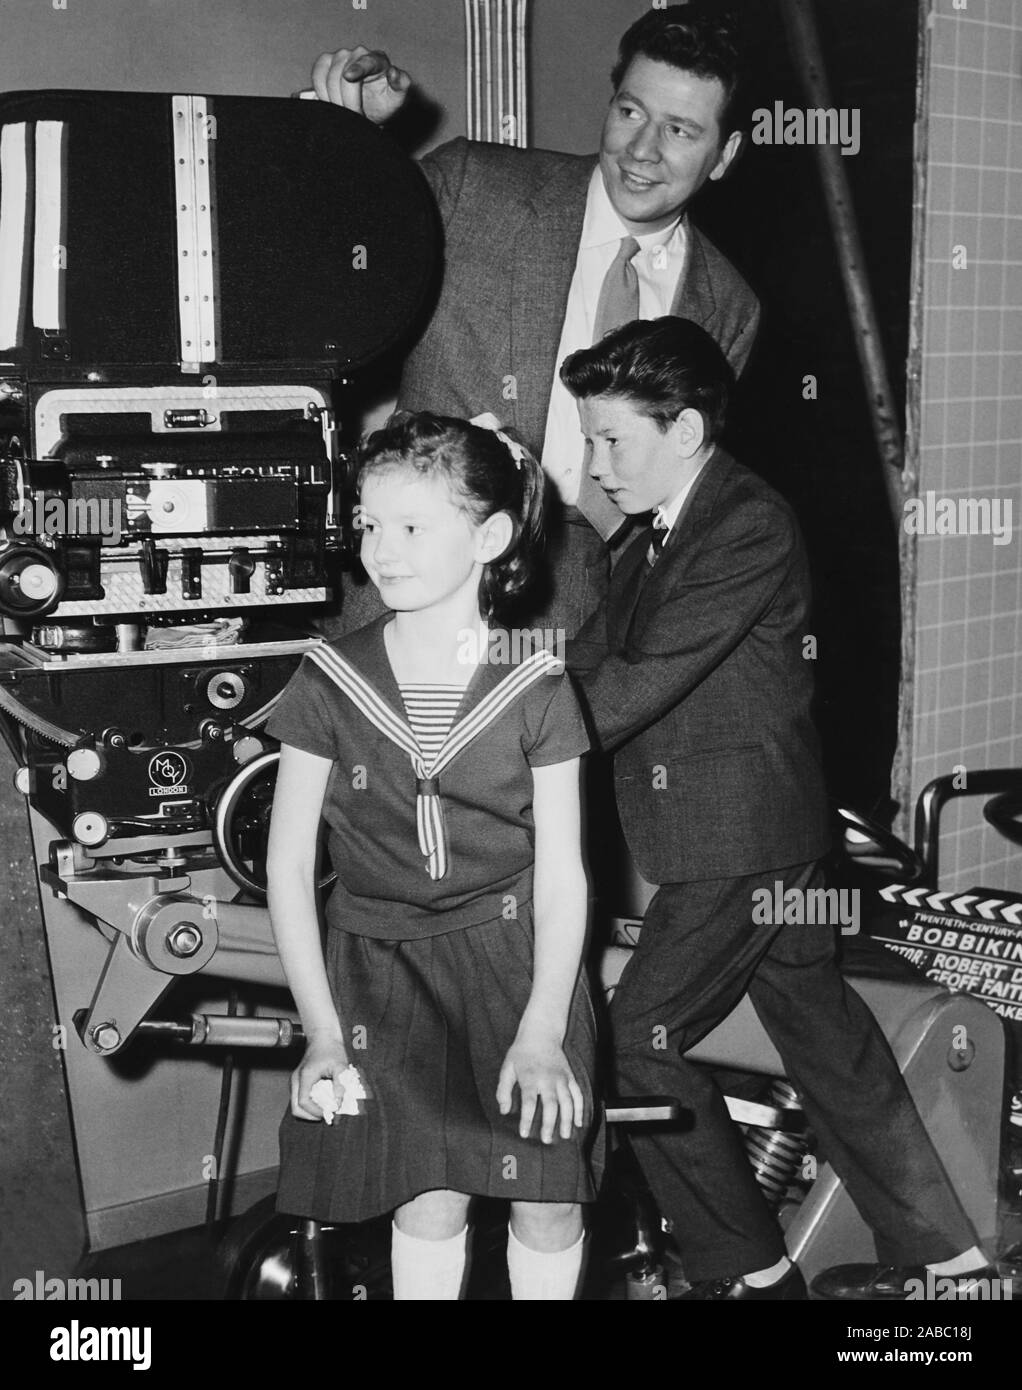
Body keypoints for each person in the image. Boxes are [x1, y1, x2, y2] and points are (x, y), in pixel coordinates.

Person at [559, 316, 996, 1302]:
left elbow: (635, 682)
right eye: (589, 440)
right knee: (821, 1034)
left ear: (683, 431)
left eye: (609, 440)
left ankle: (749, 1272)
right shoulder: (652, 536)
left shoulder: (742, 522)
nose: (594, 464)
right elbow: (583, 661)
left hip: (740, 835)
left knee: (638, 1039)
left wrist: (504, 741)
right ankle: (952, 1259)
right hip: (753, 834)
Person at [264, 412, 602, 1301]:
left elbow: (564, 874)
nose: (383, 548)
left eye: (413, 527)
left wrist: (543, 1028)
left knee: (546, 1197)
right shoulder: (327, 680)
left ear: (489, 537)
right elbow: (291, 871)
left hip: (517, 965)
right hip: (378, 970)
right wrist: (324, 1032)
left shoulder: (539, 680)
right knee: (427, 1196)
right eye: (371, 524)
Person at [309, 4, 759, 637]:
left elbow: (677, 505)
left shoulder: (730, 309)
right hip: (398, 595)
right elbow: (323, 267)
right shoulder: (474, 189)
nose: (642, 150)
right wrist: (354, 137)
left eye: (680, 131)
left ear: (724, 153)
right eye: (630, 112)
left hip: (577, 628)